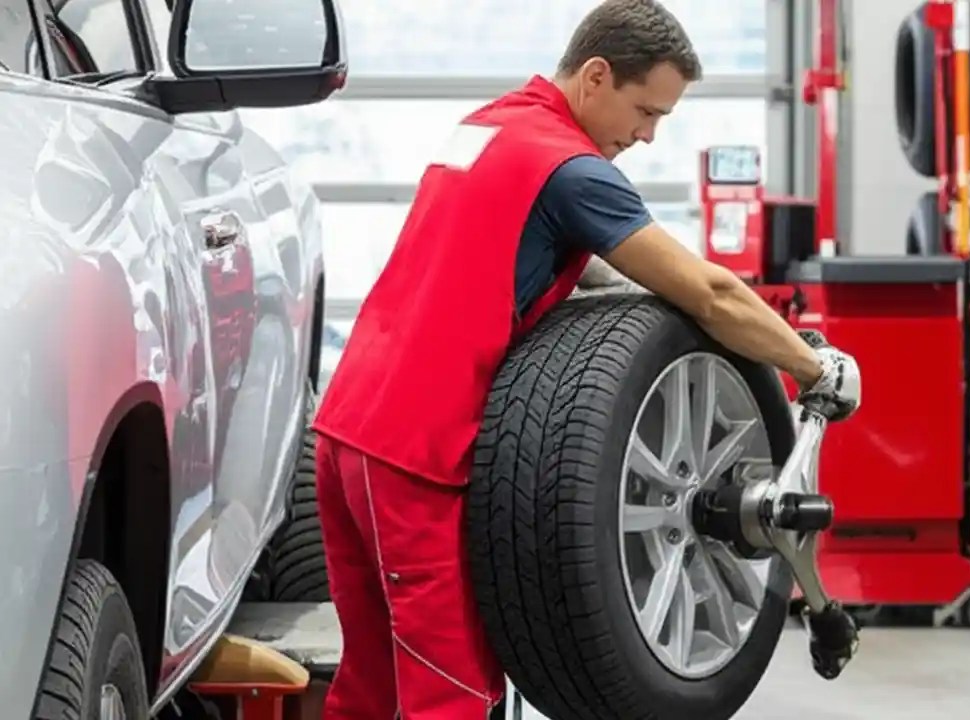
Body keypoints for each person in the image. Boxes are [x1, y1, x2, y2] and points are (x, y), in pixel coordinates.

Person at [309, 1, 862, 718]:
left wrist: (586, 266)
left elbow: (496, 251)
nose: (648, 134)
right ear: (596, 76)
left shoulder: (493, 125)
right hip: (411, 455)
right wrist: (815, 367)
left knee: (371, 685)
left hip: (347, 429)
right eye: (644, 110)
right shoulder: (572, 170)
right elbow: (713, 292)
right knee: (452, 695)